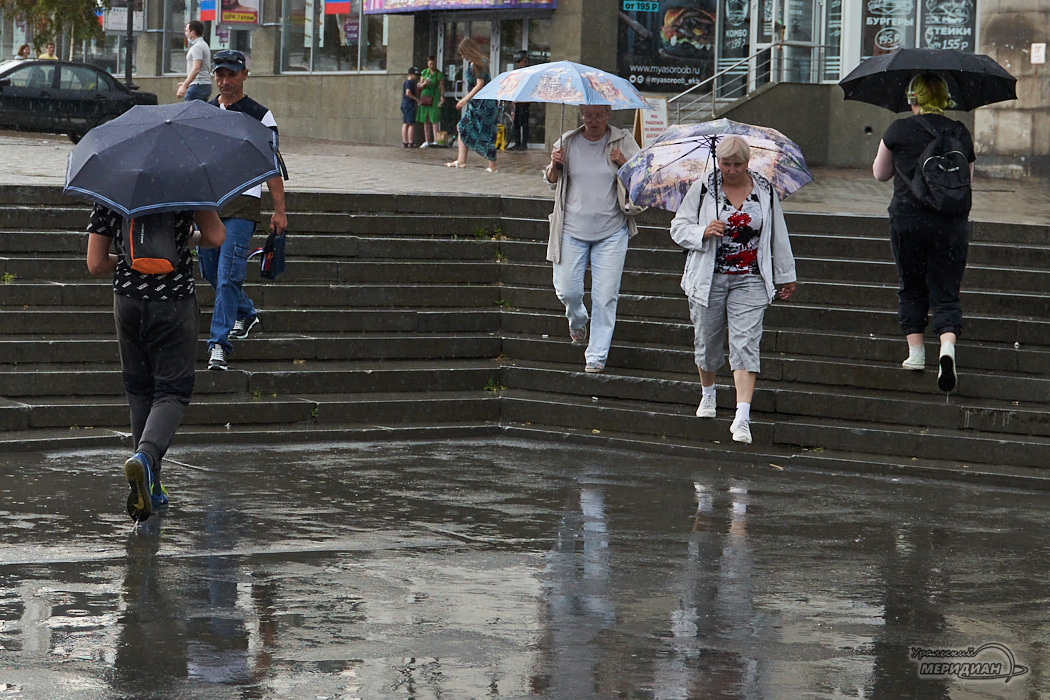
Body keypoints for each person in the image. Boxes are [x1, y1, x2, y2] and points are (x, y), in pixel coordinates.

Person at [86, 206, 225, 522]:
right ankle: (145, 458)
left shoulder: (112, 190)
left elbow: (95, 264)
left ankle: (152, 486)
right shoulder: (186, 185)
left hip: (128, 301)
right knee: (172, 392)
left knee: (139, 391)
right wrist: (190, 237)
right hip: (173, 300)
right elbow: (217, 237)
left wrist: (126, 261)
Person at [670, 135, 797, 445]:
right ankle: (709, 393)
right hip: (709, 277)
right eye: (725, 164)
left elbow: (777, 233)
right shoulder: (703, 187)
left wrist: (785, 274)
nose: (730, 170)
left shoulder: (765, 190)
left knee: (746, 343)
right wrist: (703, 230)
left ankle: (742, 416)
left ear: (748, 162)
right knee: (708, 342)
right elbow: (678, 227)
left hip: (750, 278)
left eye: (737, 164)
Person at [872, 72, 974, 393]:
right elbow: (966, 181)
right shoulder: (959, 131)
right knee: (946, 286)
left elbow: (880, 174)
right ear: (944, 98)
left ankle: (916, 353)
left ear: (912, 99)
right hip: (950, 223)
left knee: (912, 284)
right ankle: (947, 346)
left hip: (908, 220)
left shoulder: (898, 129)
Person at [203, 49, 288, 371]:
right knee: (211, 272)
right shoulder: (205, 111)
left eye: (231, 75)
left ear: (244, 75)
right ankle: (246, 312)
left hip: (242, 203)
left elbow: (273, 166)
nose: (225, 81)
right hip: (209, 204)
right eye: (220, 75)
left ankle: (218, 345)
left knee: (227, 275)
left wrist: (279, 210)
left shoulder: (260, 115)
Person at [543, 104, 641, 374]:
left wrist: (625, 164)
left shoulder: (622, 140)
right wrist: (555, 164)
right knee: (567, 291)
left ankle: (596, 355)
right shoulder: (567, 141)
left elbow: (644, 181)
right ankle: (577, 319)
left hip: (611, 231)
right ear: (581, 115)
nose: (593, 121)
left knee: (605, 296)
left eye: (599, 115)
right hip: (571, 229)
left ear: (608, 115)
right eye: (588, 115)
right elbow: (551, 182)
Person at [445, 38, 499, 172]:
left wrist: (465, 99)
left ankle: (492, 166)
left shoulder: (480, 64)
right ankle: (461, 161)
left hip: (484, 104)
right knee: (462, 126)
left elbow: (480, 85)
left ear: (468, 51)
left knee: (485, 132)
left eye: (462, 53)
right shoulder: (474, 64)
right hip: (477, 104)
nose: (462, 56)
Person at [177, 21, 212, 102]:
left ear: (192, 33)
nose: (185, 33)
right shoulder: (203, 44)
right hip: (201, 85)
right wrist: (187, 83)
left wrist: (184, 86)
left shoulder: (197, 47)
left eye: (186, 31)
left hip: (198, 85)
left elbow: (196, 68)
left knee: (190, 113)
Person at [416, 56, 445, 148]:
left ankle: (436, 140)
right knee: (426, 119)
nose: (432, 66)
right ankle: (427, 140)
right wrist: (424, 84)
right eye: (430, 64)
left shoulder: (438, 74)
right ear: (427, 64)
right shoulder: (424, 73)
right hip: (425, 97)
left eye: (433, 64)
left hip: (434, 97)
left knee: (434, 119)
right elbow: (419, 87)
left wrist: (441, 96)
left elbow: (441, 86)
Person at [509, 50, 530, 150]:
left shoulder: (528, 72)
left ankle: (523, 144)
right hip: (517, 100)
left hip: (524, 101)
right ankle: (517, 143)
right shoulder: (516, 72)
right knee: (516, 123)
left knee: (524, 123)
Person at [401, 66, 420, 147]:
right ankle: (410, 142)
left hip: (404, 103)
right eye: (415, 75)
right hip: (409, 104)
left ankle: (405, 141)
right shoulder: (410, 83)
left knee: (405, 123)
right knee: (411, 123)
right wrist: (416, 99)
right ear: (411, 75)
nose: (417, 77)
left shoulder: (406, 82)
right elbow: (408, 93)